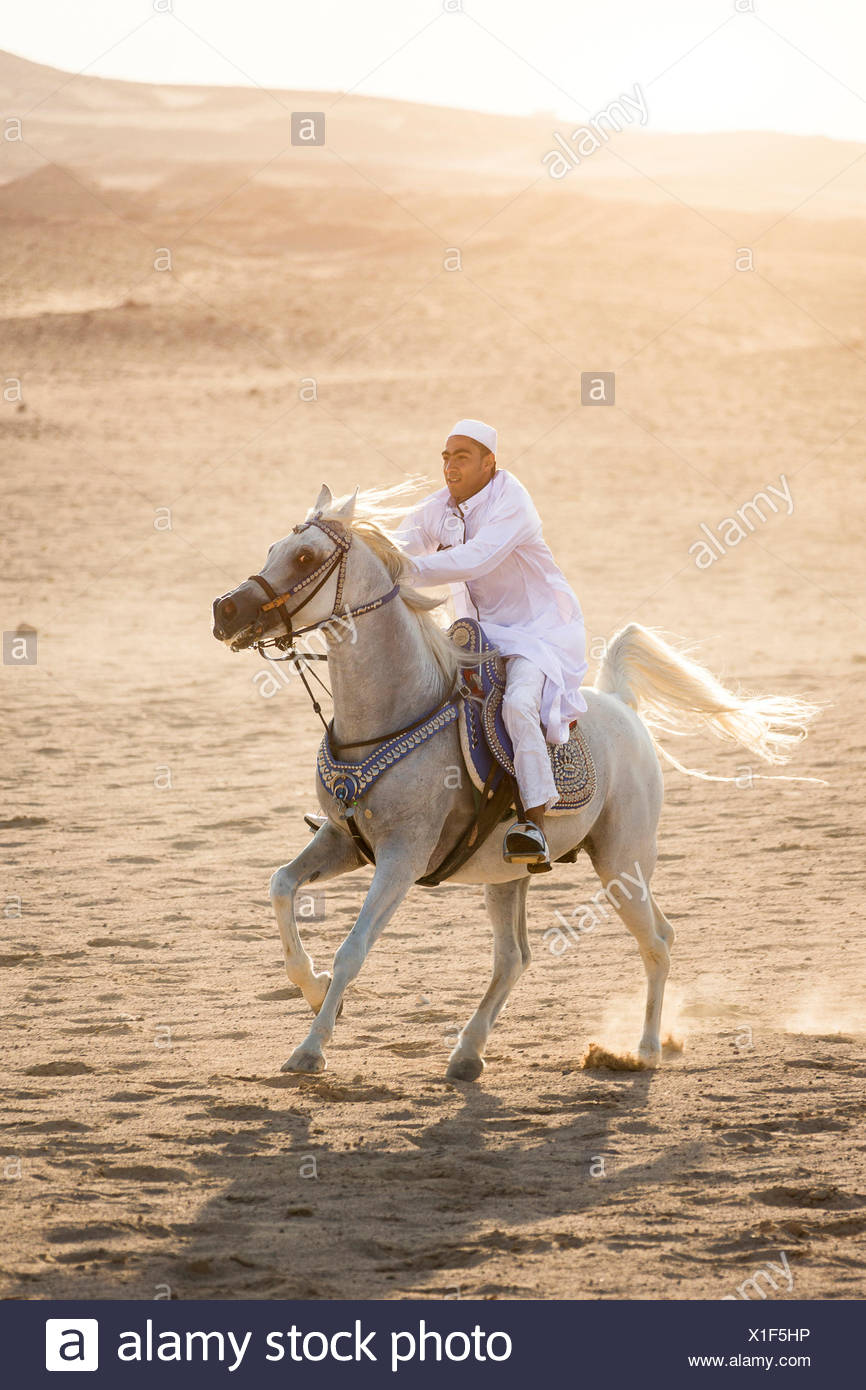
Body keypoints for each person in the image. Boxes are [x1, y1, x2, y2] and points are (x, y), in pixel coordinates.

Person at [393, 418, 589, 869]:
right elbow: (401, 544)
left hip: (537, 632)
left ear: (489, 463)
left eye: (461, 457)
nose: (449, 466)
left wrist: (401, 570)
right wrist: (371, 557)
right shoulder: (438, 507)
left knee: (519, 705)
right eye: (445, 457)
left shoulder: (512, 500)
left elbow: (477, 558)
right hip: (474, 635)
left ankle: (535, 823)